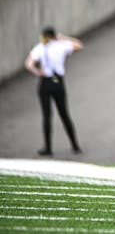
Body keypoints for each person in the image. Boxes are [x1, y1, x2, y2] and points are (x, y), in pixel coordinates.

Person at [24, 27, 83, 156]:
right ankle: (75, 145)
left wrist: (38, 72)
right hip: (58, 82)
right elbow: (79, 45)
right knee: (64, 114)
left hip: (45, 82)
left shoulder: (39, 48)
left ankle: (48, 147)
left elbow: (29, 64)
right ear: (54, 36)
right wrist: (64, 38)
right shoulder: (61, 46)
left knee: (47, 115)